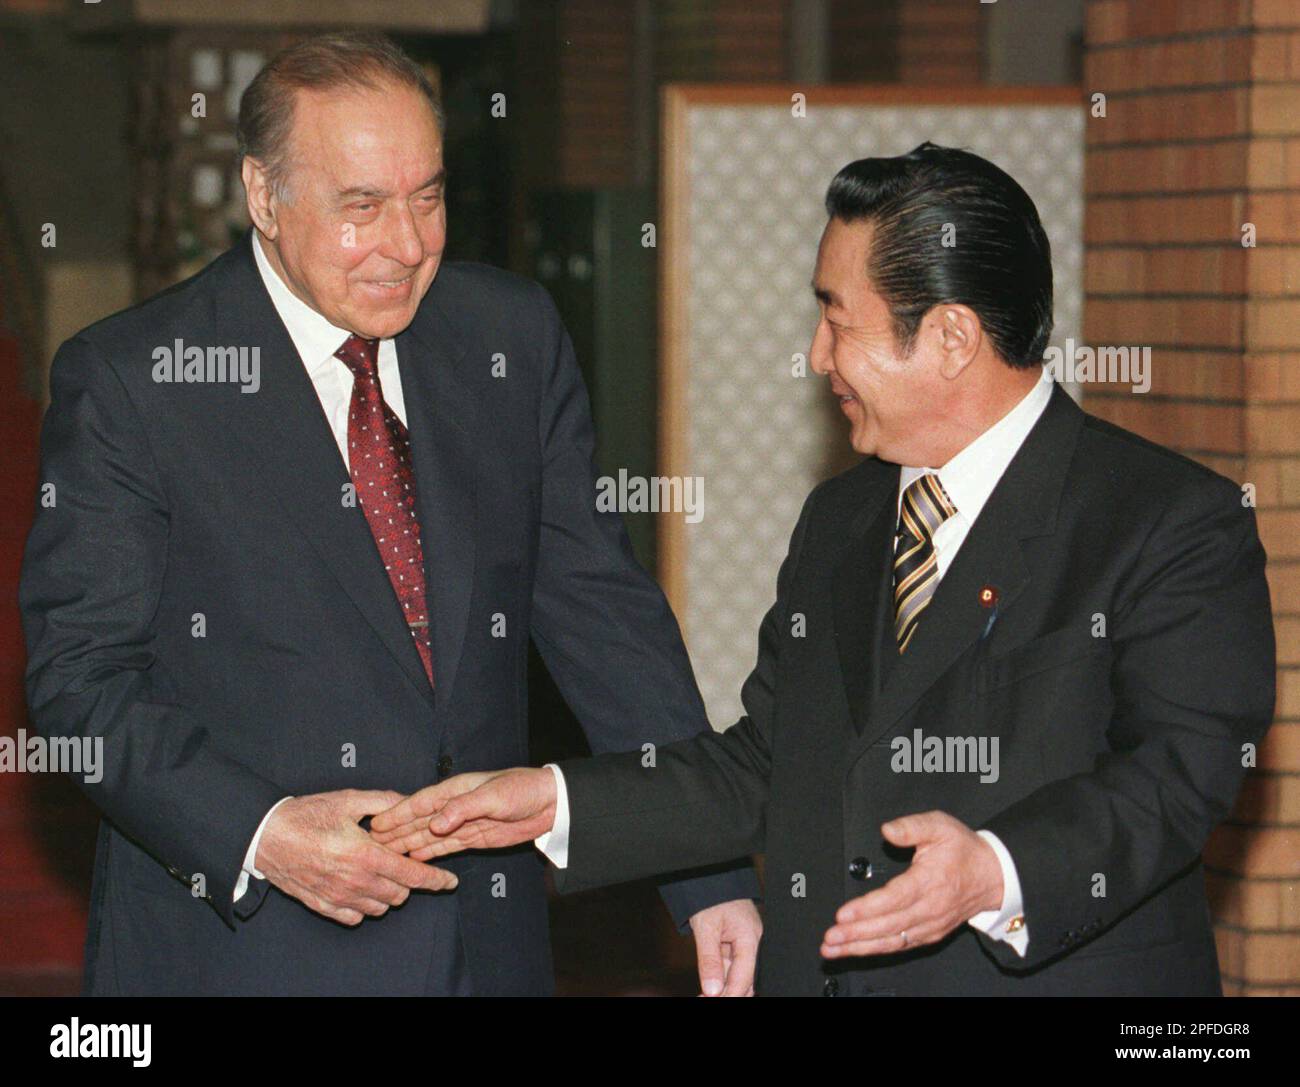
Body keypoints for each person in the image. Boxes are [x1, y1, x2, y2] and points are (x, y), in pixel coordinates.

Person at [371, 143, 1277, 997]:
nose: (814, 356)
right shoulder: (842, 519)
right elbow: (766, 762)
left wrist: (996, 870)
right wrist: (555, 800)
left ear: (953, 337)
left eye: (837, 320)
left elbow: (1178, 773)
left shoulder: (1168, 523)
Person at [19, 32, 759, 996]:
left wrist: (706, 874)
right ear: (264, 196)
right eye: (362, 207)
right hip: (245, 952)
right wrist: (266, 833)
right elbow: (79, 686)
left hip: (487, 951)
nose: (408, 246)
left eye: (429, 196)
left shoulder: (510, 340)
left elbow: (605, 621)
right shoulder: (134, 381)